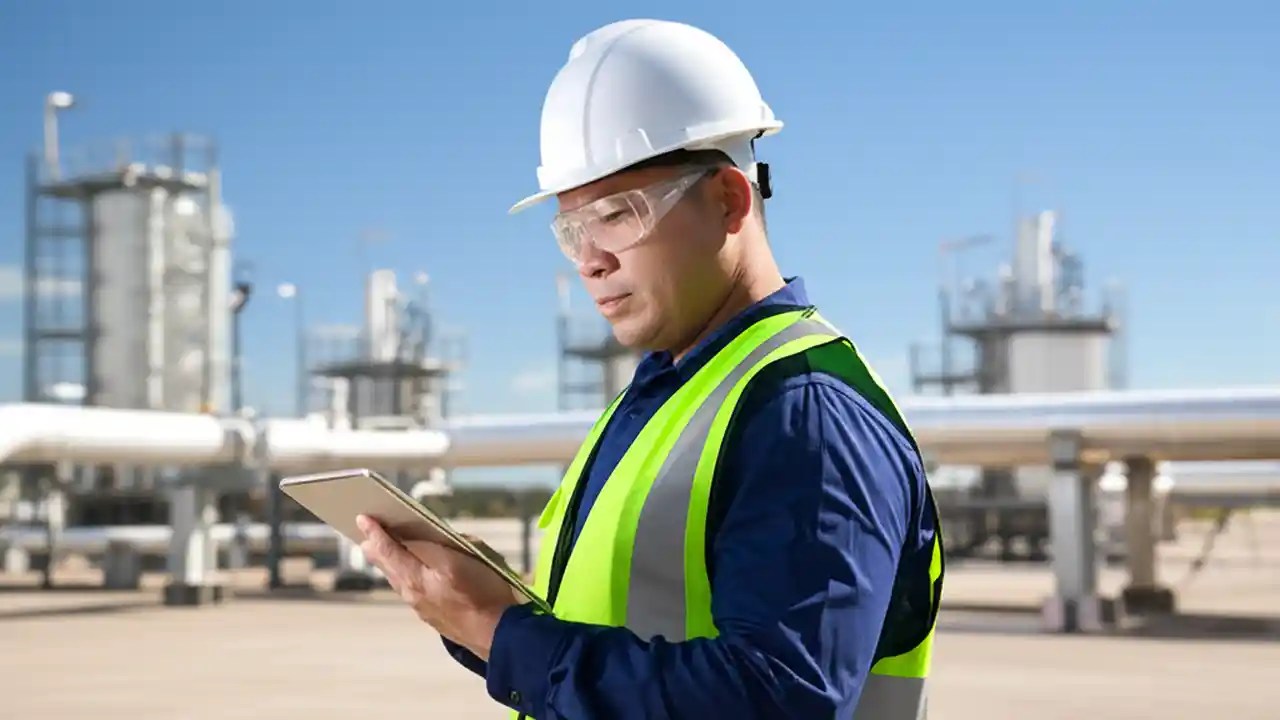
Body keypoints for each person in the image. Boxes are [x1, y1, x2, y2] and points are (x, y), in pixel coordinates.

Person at [356, 18, 944, 720]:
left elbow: (778, 699)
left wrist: (499, 632)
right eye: (572, 229)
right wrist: (490, 612)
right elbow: (628, 626)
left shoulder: (803, 411)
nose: (588, 260)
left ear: (729, 201)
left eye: (616, 214)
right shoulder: (666, 397)